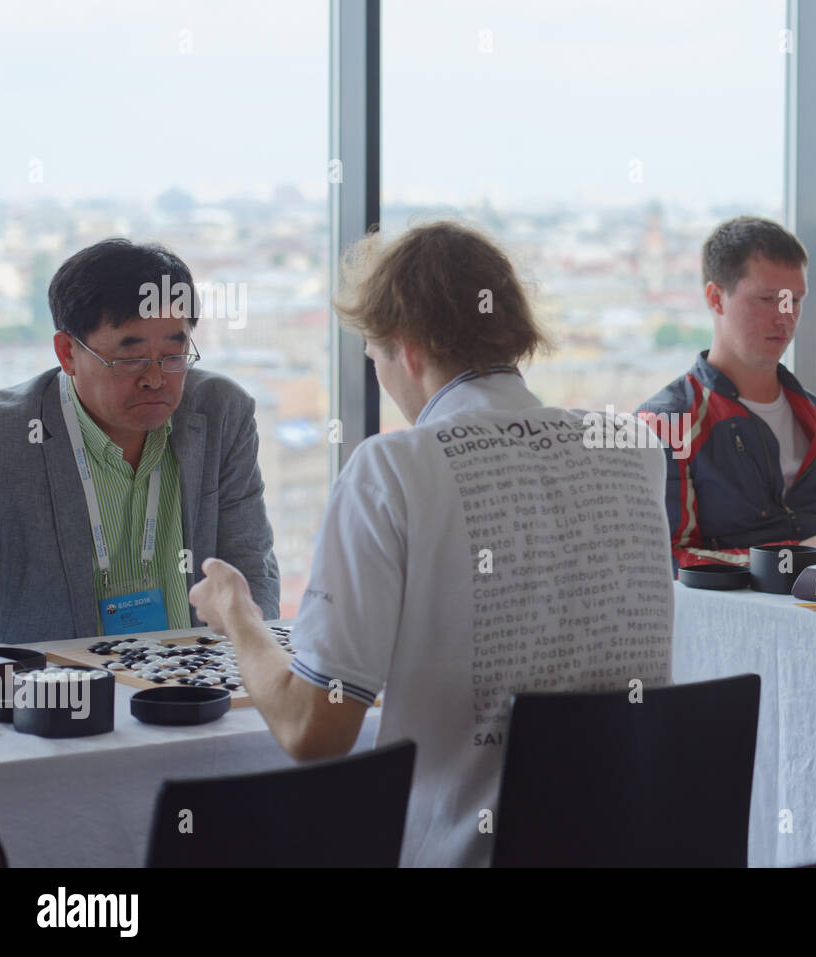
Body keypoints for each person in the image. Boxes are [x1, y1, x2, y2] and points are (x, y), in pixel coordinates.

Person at [188, 221, 675, 868]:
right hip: (633, 842)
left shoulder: (391, 468)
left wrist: (238, 614)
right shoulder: (635, 449)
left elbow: (314, 731)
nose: (383, 375)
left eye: (375, 355)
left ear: (408, 348)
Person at [0, 239, 279, 644]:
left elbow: (249, 566)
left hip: (194, 687)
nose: (155, 379)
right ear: (68, 352)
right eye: (131, 359)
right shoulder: (0, 437)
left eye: (174, 355)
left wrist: (249, 656)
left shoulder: (220, 413)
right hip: (57, 695)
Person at [638, 216, 816, 570]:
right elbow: (666, 560)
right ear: (716, 298)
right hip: (724, 624)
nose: (785, 317)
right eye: (767, 299)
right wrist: (793, 559)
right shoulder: (667, 424)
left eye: (795, 300)